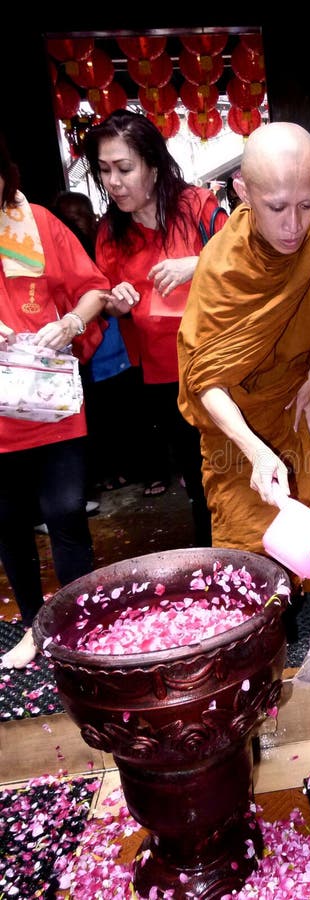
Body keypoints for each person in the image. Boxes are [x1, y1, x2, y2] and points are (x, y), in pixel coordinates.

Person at [177, 121, 310, 593]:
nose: (293, 225)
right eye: (276, 207)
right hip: (240, 422)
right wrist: (258, 452)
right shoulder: (224, 266)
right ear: (243, 192)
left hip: (302, 397)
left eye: (306, 204)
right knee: (251, 559)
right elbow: (205, 380)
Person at [83, 109, 227, 546]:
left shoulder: (197, 206)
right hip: (163, 375)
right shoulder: (110, 231)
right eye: (105, 170)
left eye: (125, 168)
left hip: (220, 363)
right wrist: (116, 303)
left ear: (154, 164)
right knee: (196, 475)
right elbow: (103, 295)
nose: (114, 181)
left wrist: (197, 264)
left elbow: (247, 264)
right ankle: (214, 561)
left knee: (232, 469)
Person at [0, 133, 110, 669]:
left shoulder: (35, 221)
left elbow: (94, 288)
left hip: (50, 399)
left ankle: (76, 624)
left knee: (66, 511)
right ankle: (30, 627)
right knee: (7, 520)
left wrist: (70, 321)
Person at [51, 190, 142, 497]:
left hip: (121, 347)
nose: (77, 222)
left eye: (82, 214)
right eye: (69, 217)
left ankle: (143, 468)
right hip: (83, 353)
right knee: (98, 419)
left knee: (131, 413)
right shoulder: (58, 253)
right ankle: (108, 472)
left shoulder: (107, 244)